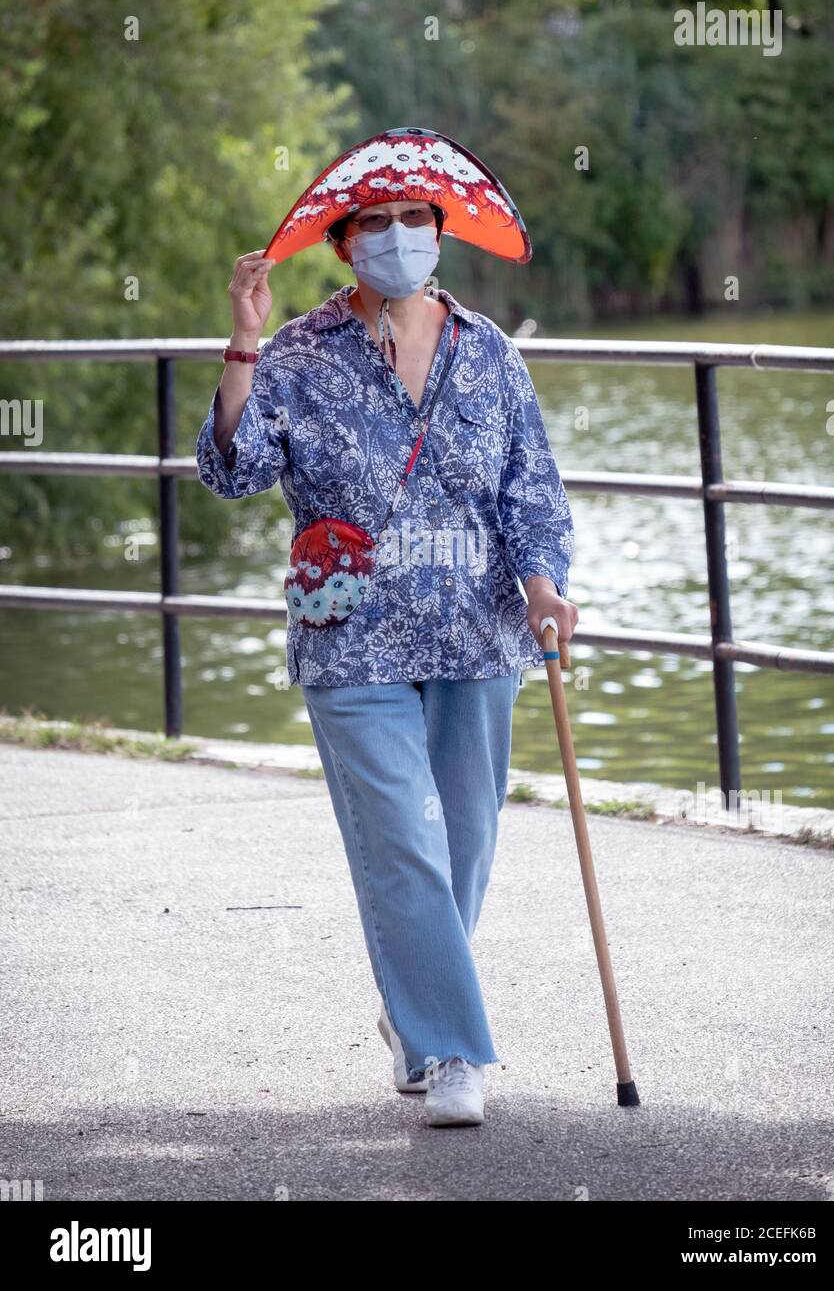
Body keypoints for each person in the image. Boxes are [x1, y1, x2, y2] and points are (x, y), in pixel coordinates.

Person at [196, 127, 578, 1127]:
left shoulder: (487, 352)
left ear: (441, 236)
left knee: (465, 843)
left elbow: (530, 491)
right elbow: (231, 469)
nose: (398, 235)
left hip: (479, 630)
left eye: (415, 219)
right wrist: (242, 339)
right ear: (343, 243)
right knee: (402, 843)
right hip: (350, 634)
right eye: (377, 222)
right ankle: (451, 1050)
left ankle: (411, 1010)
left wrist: (542, 586)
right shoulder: (299, 353)